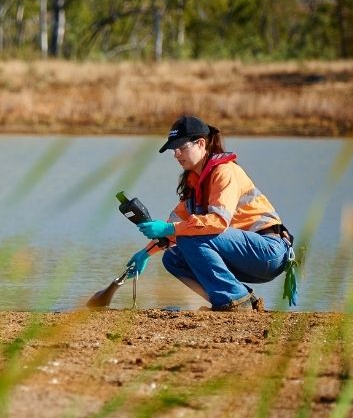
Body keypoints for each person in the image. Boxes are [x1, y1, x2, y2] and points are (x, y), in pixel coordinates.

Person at [126, 115, 297, 311]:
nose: (176, 154)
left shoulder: (225, 171)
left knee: (190, 237)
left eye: (182, 147)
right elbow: (175, 227)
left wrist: (167, 228)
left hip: (269, 253)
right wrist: (145, 254)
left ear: (200, 143)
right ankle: (241, 300)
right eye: (174, 149)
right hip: (244, 255)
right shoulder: (195, 184)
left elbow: (217, 222)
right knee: (173, 258)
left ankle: (234, 300)